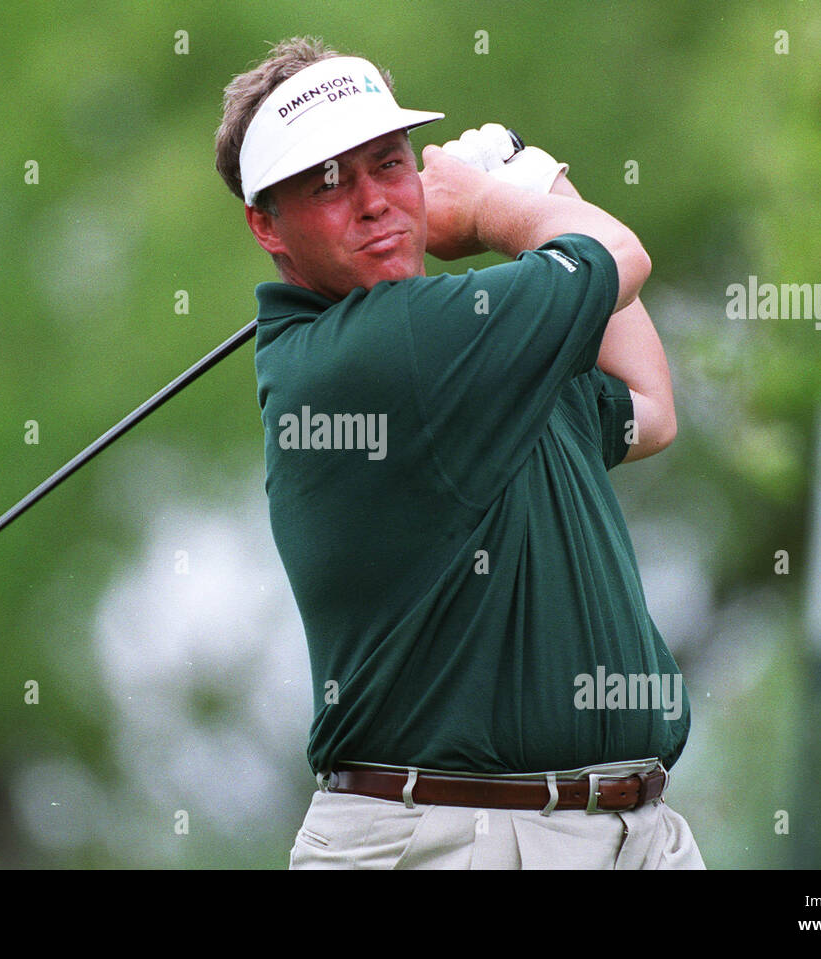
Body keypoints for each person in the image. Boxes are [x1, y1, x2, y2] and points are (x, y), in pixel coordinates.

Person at [214, 36, 704, 869]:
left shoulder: (468, 344)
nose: (374, 202)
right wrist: (497, 205)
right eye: (329, 182)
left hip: (630, 833)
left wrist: (537, 191)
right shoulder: (384, 348)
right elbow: (618, 254)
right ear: (267, 223)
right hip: (447, 838)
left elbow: (651, 407)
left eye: (389, 164)